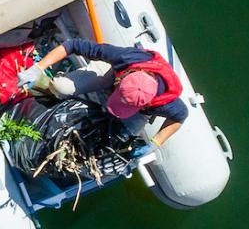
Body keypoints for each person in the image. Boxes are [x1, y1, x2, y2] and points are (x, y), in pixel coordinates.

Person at [19, 36, 188, 146]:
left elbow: (180, 116)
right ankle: (52, 90)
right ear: (123, 78)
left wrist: (155, 142)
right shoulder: (125, 58)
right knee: (61, 87)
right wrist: (38, 68)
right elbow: (72, 45)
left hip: (136, 103)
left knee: (123, 138)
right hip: (111, 75)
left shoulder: (165, 102)